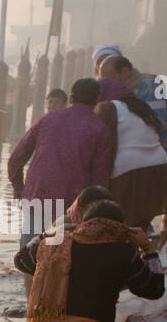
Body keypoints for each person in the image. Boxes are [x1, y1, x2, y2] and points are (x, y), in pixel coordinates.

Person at [18, 199, 164, 322]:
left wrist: (46, 235)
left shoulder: (57, 244)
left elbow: (21, 261)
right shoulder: (125, 252)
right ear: (121, 227)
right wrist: (148, 248)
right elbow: (155, 290)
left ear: (84, 222)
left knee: (55, 310)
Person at [8, 78, 113, 252]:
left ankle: (28, 278)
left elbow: (16, 159)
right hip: (73, 205)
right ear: (97, 101)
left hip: (38, 194)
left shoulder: (48, 119)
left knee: (29, 252)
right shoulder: (100, 130)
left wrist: (18, 187)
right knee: (60, 256)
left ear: (70, 99)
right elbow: (100, 179)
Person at [94, 78, 167, 232]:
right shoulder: (138, 107)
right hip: (158, 169)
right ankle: (147, 251)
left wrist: (100, 183)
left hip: (129, 173)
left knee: (121, 225)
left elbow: (106, 148)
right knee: (141, 223)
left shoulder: (107, 108)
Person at [94, 48, 167, 175]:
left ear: (125, 72)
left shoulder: (153, 84)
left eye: (111, 79)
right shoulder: (117, 90)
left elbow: (157, 122)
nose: (108, 84)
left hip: (159, 153)